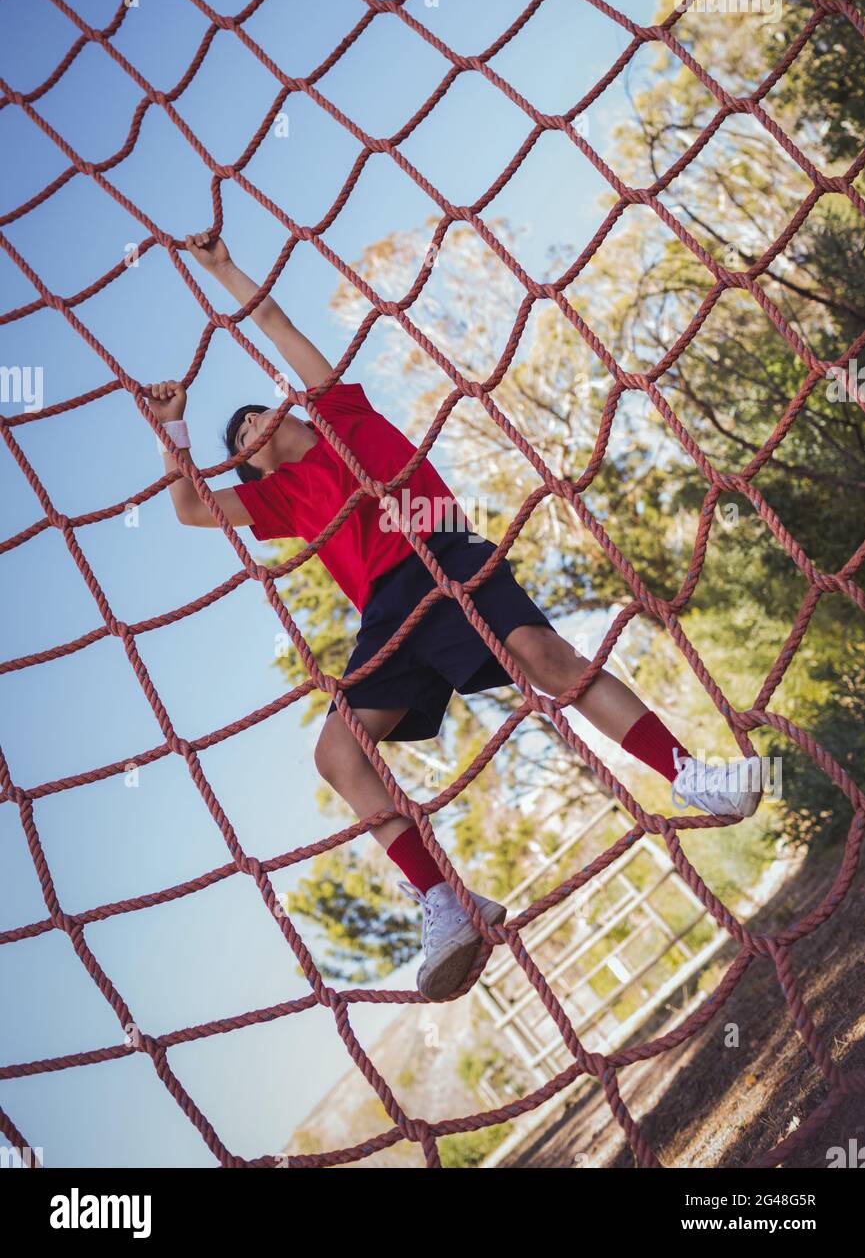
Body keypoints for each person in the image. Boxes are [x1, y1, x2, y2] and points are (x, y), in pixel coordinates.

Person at [145, 231, 765, 1001]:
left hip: (444, 549)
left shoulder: (340, 414)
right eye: (239, 440)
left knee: (547, 658)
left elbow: (271, 319)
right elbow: (185, 509)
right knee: (339, 755)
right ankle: (448, 902)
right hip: (387, 612)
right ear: (255, 467)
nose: (250, 429)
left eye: (253, 416)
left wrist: (220, 269)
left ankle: (693, 775)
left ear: (288, 413)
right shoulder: (279, 498)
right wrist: (171, 428)